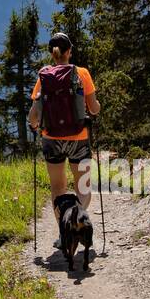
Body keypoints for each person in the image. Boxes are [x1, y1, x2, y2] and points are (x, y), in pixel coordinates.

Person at [27, 32, 100, 212]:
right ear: (70, 51)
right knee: (82, 186)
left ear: (52, 53)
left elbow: (33, 116)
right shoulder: (82, 73)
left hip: (51, 138)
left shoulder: (44, 77)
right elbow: (93, 109)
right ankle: (77, 217)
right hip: (79, 137)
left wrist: (35, 126)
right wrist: (96, 105)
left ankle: (63, 230)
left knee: (58, 187)